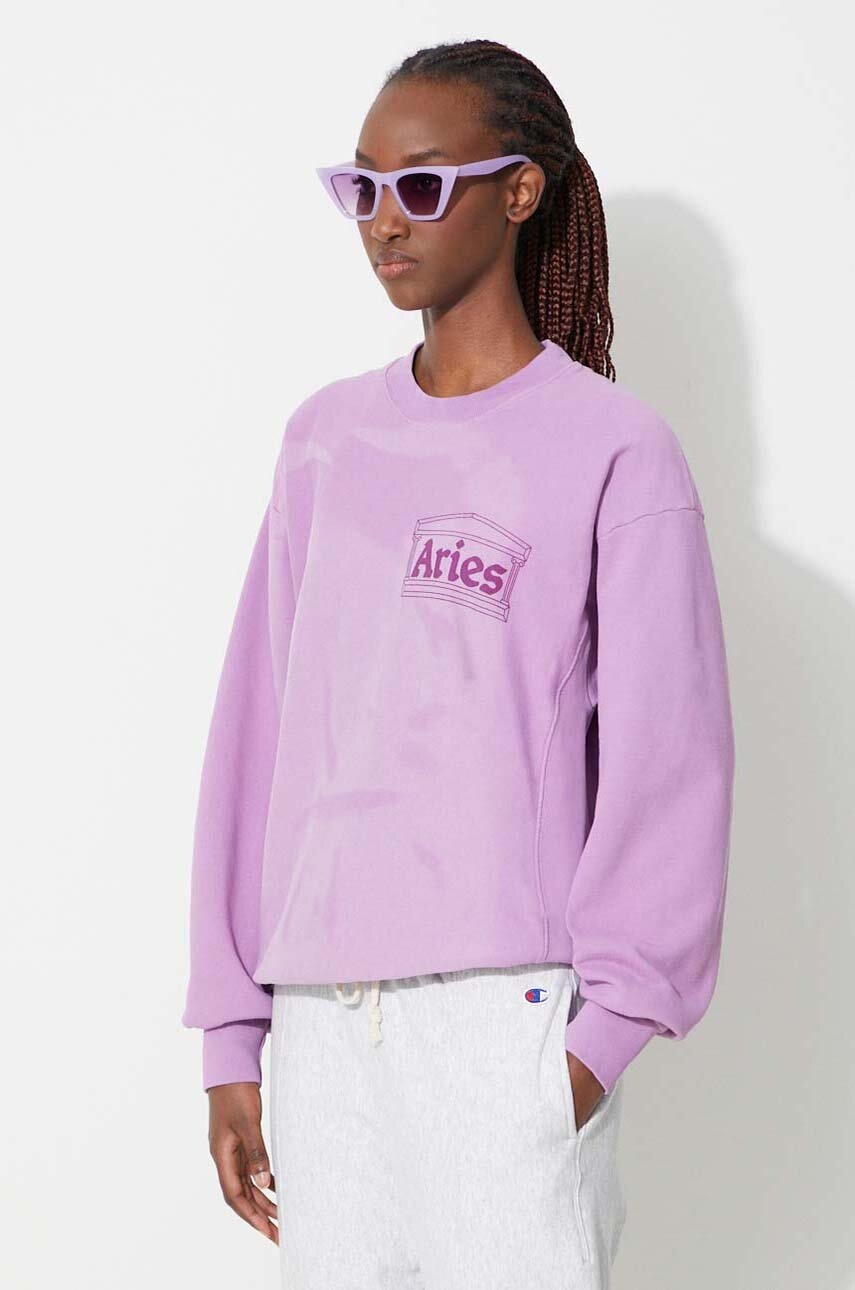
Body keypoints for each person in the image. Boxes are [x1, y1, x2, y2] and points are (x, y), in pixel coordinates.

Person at [181, 36, 736, 1290]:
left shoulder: (614, 452)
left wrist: (591, 1048)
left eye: (423, 185)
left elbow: (670, 763)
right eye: (362, 187)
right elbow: (257, 736)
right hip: (323, 1028)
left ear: (519, 191)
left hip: (510, 1024)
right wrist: (233, 1033)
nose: (385, 220)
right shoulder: (324, 441)